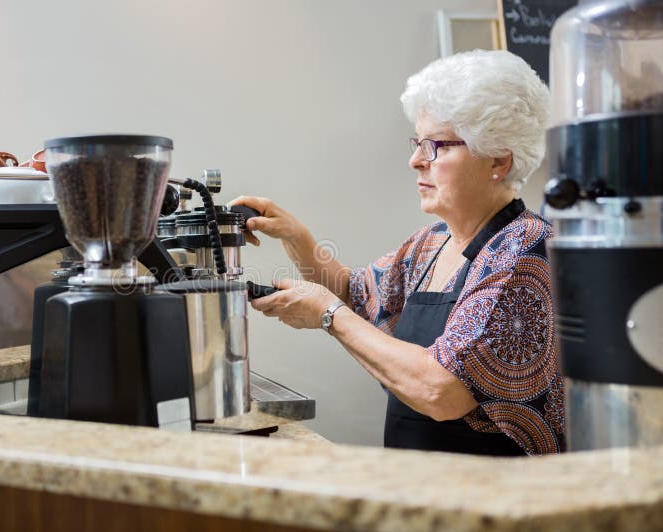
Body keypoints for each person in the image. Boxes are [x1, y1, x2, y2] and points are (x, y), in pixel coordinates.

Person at [231, 50, 564, 455]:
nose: (415, 161)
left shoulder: (523, 254)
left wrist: (328, 316)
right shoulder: (431, 242)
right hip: (423, 487)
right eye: (418, 142)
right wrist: (297, 237)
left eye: (436, 146)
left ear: (498, 159)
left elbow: (441, 390)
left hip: (496, 498)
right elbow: (354, 292)